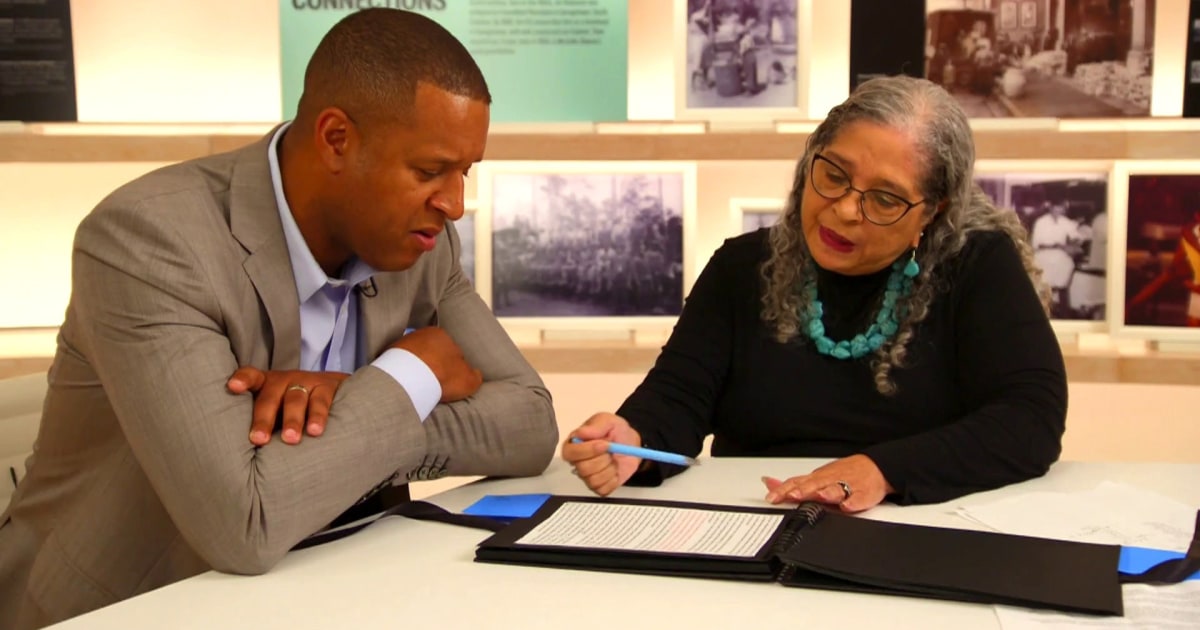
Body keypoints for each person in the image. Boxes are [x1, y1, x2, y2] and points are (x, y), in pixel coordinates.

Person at [0, 9, 558, 629]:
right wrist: (412, 372)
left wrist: (358, 405)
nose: (455, 204)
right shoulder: (149, 241)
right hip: (131, 605)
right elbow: (244, 522)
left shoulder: (420, 242)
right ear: (336, 138)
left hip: (337, 592)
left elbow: (532, 424)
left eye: (465, 172)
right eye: (429, 172)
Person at [563, 75, 1066, 514]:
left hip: (917, 526)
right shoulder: (743, 266)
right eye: (833, 175)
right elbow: (678, 398)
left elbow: (1030, 420)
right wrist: (634, 439)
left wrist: (880, 471)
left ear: (931, 211)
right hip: (758, 516)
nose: (845, 209)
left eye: (884, 198)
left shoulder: (977, 266)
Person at [1126, 209, 1200, 327]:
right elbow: (1175, 266)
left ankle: (1130, 306)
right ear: (1197, 216)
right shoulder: (1191, 232)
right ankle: (1130, 306)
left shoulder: (1189, 233)